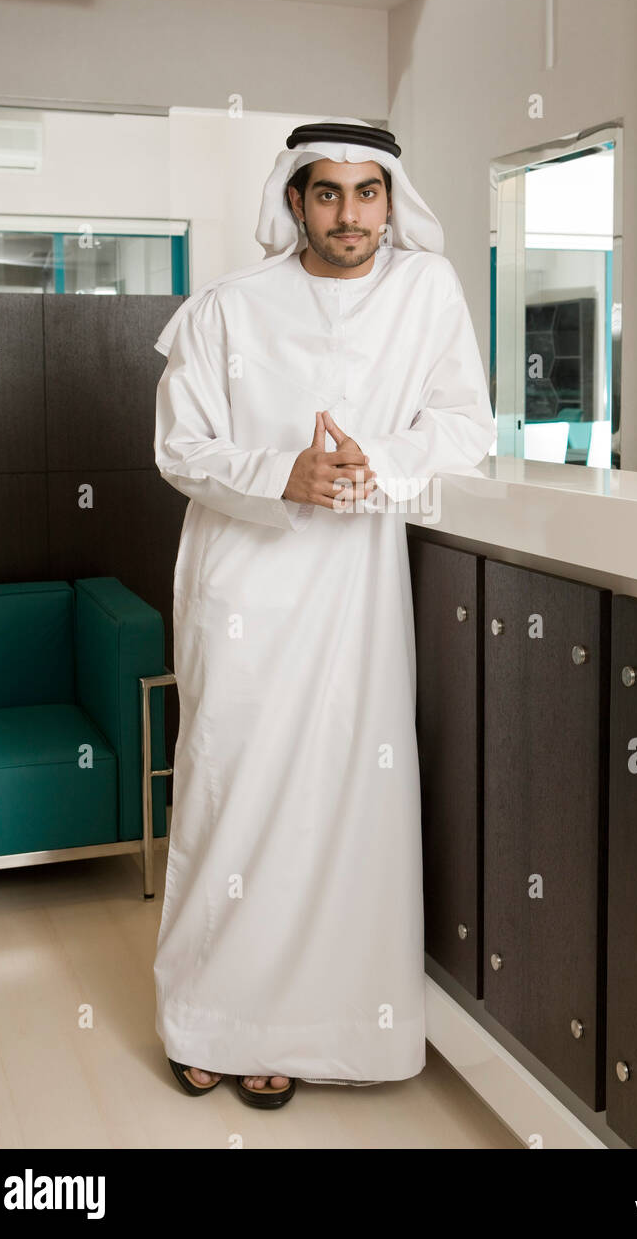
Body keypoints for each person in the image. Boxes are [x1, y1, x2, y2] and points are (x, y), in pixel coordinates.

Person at [152, 118, 496, 1109]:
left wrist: (372, 464)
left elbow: (464, 427)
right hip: (241, 587)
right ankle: (210, 1020)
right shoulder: (225, 307)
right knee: (234, 795)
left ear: (390, 200)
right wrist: (284, 473)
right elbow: (180, 449)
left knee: (340, 804)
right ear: (294, 202)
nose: (349, 214)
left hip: (354, 591)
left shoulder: (423, 292)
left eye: (367, 192)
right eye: (327, 193)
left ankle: (303, 1032)